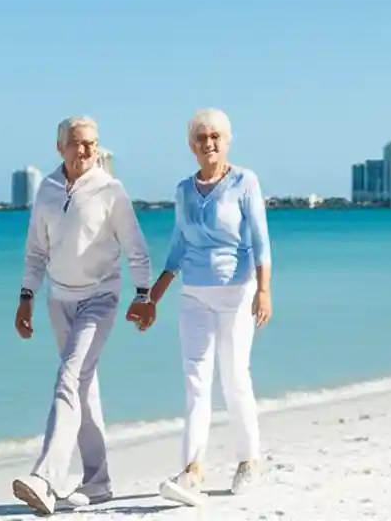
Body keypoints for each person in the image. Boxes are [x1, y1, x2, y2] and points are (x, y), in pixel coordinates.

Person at [126, 107, 273, 507]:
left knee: (234, 378)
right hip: (193, 294)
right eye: (201, 138)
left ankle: (249, 460)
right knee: (195, 383)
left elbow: (260, 239)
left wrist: (264, 291)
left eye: (216, 137)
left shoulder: (245, 181)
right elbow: (177, 248)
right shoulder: (183, 190)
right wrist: (150, 298)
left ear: (227, 141)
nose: (209, 144)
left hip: (236, 291)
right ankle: (192, 470)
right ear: (191, 145)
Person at [11, 116, 153, 515]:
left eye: (92, 143)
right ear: (61, 148)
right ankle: (98, 481)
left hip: (100, 299)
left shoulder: (111, 190)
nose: (86, 150)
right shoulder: (48, 189)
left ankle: (46, 477)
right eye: (77, 143)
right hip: (58, 301)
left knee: (68, 379)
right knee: (83, 391)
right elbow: (36, 251)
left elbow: (136, 247)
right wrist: (26, 298)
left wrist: (143, 294)